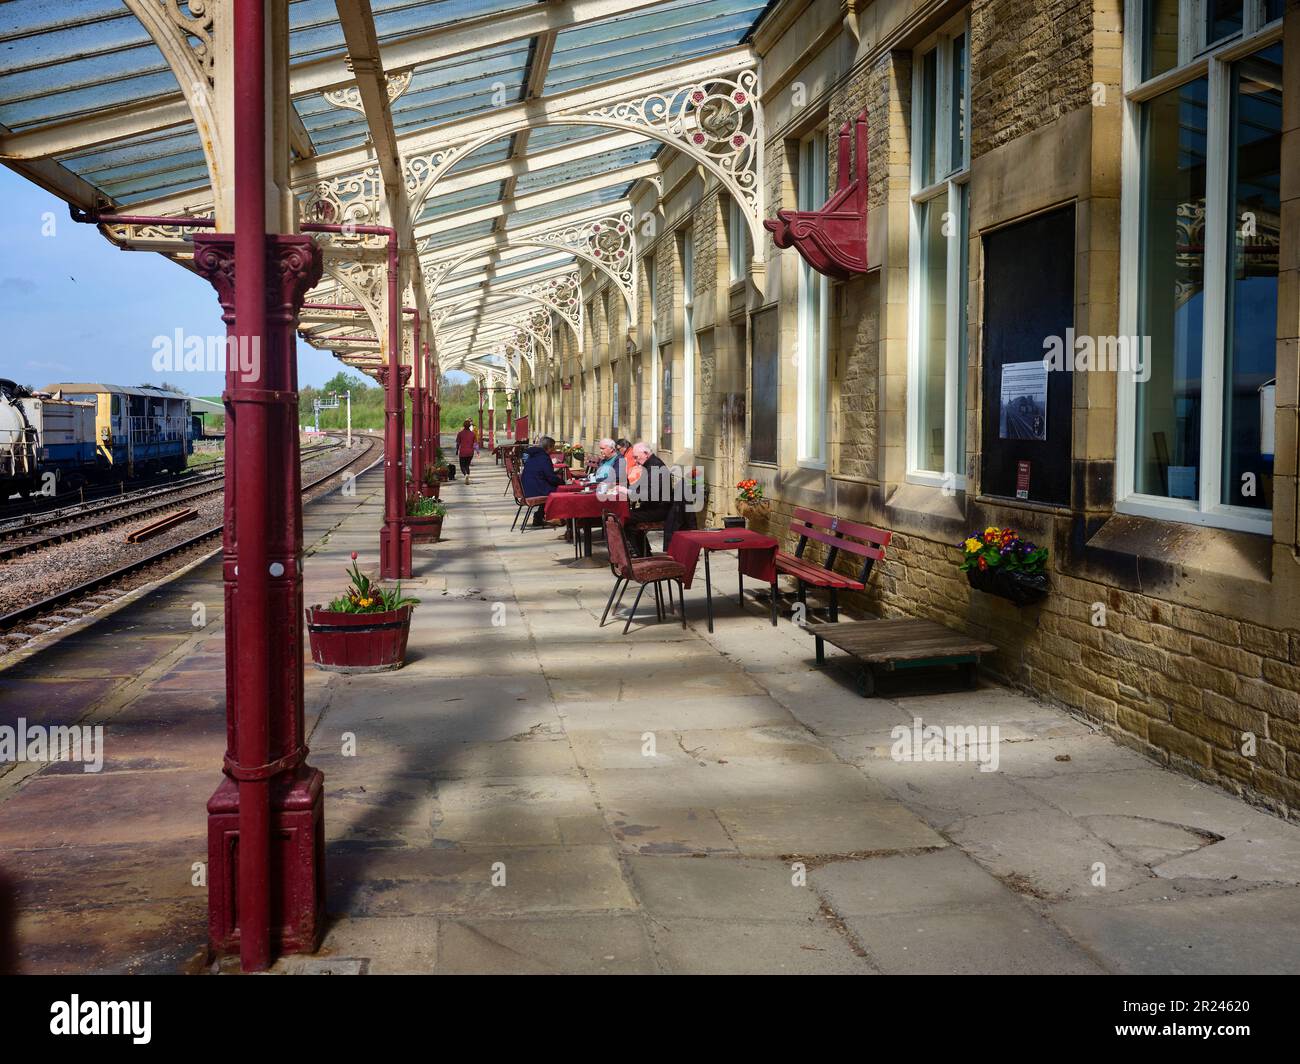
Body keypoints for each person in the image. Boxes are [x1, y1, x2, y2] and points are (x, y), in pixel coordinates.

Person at [520, 435, 563, 526]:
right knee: (560, 491)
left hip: (527, 488)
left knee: (553, 488)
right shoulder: (544, 457)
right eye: (553, 447)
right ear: (549, 447)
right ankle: (557, 517)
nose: (553, 449)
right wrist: (563, 482)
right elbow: (550, 477)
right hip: (534, 490)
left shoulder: (533, 456)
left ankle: (539, 517)